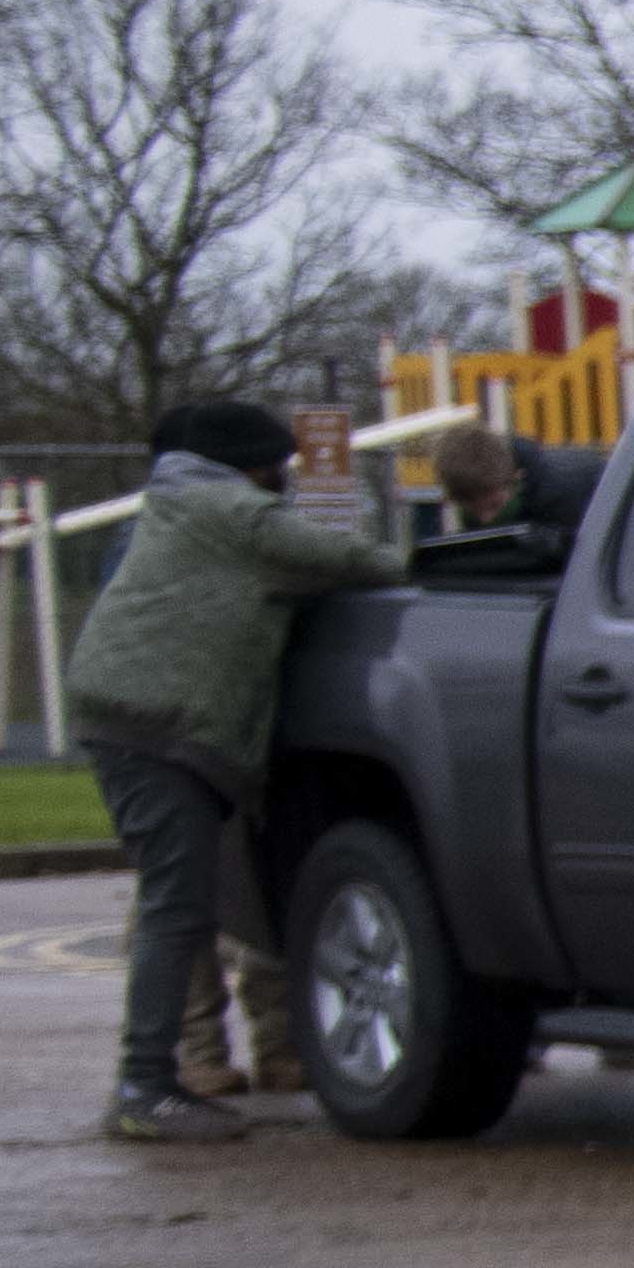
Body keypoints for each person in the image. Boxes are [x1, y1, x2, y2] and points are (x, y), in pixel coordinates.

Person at [64, 396, 402, 1145]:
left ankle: (160, 1078)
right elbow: (353, 560)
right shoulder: (238, 516)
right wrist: (417, 557)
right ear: (252, 465)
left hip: (134, 717)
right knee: (176, 907)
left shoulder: (183, 505)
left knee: (178, 901)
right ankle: (145, 1087)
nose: (284, 476)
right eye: (277, 464)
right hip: (160, 726)